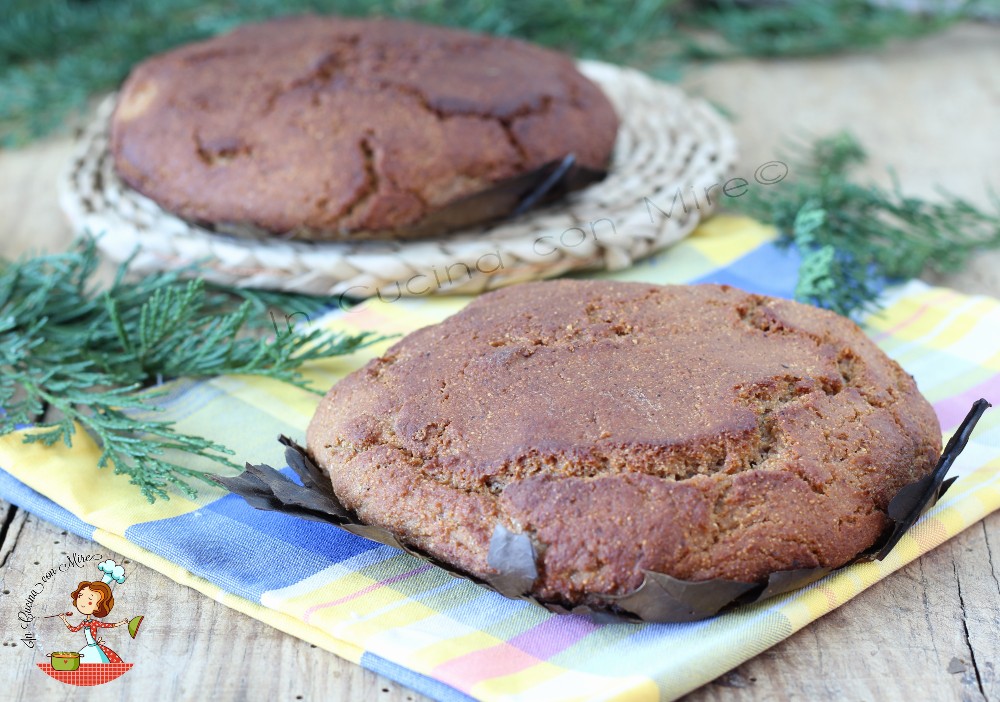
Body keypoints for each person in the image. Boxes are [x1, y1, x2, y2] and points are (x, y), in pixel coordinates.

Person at [57, 581, 129, 664]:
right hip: (88, 648)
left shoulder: (94, 623)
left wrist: (122, 623)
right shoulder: (84, 622)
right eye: (80, 596)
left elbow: (108, 625)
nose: (82, 603)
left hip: (94, 648)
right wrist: (64, 619)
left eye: (89, 600)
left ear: (98, 607)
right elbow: (74, 629)